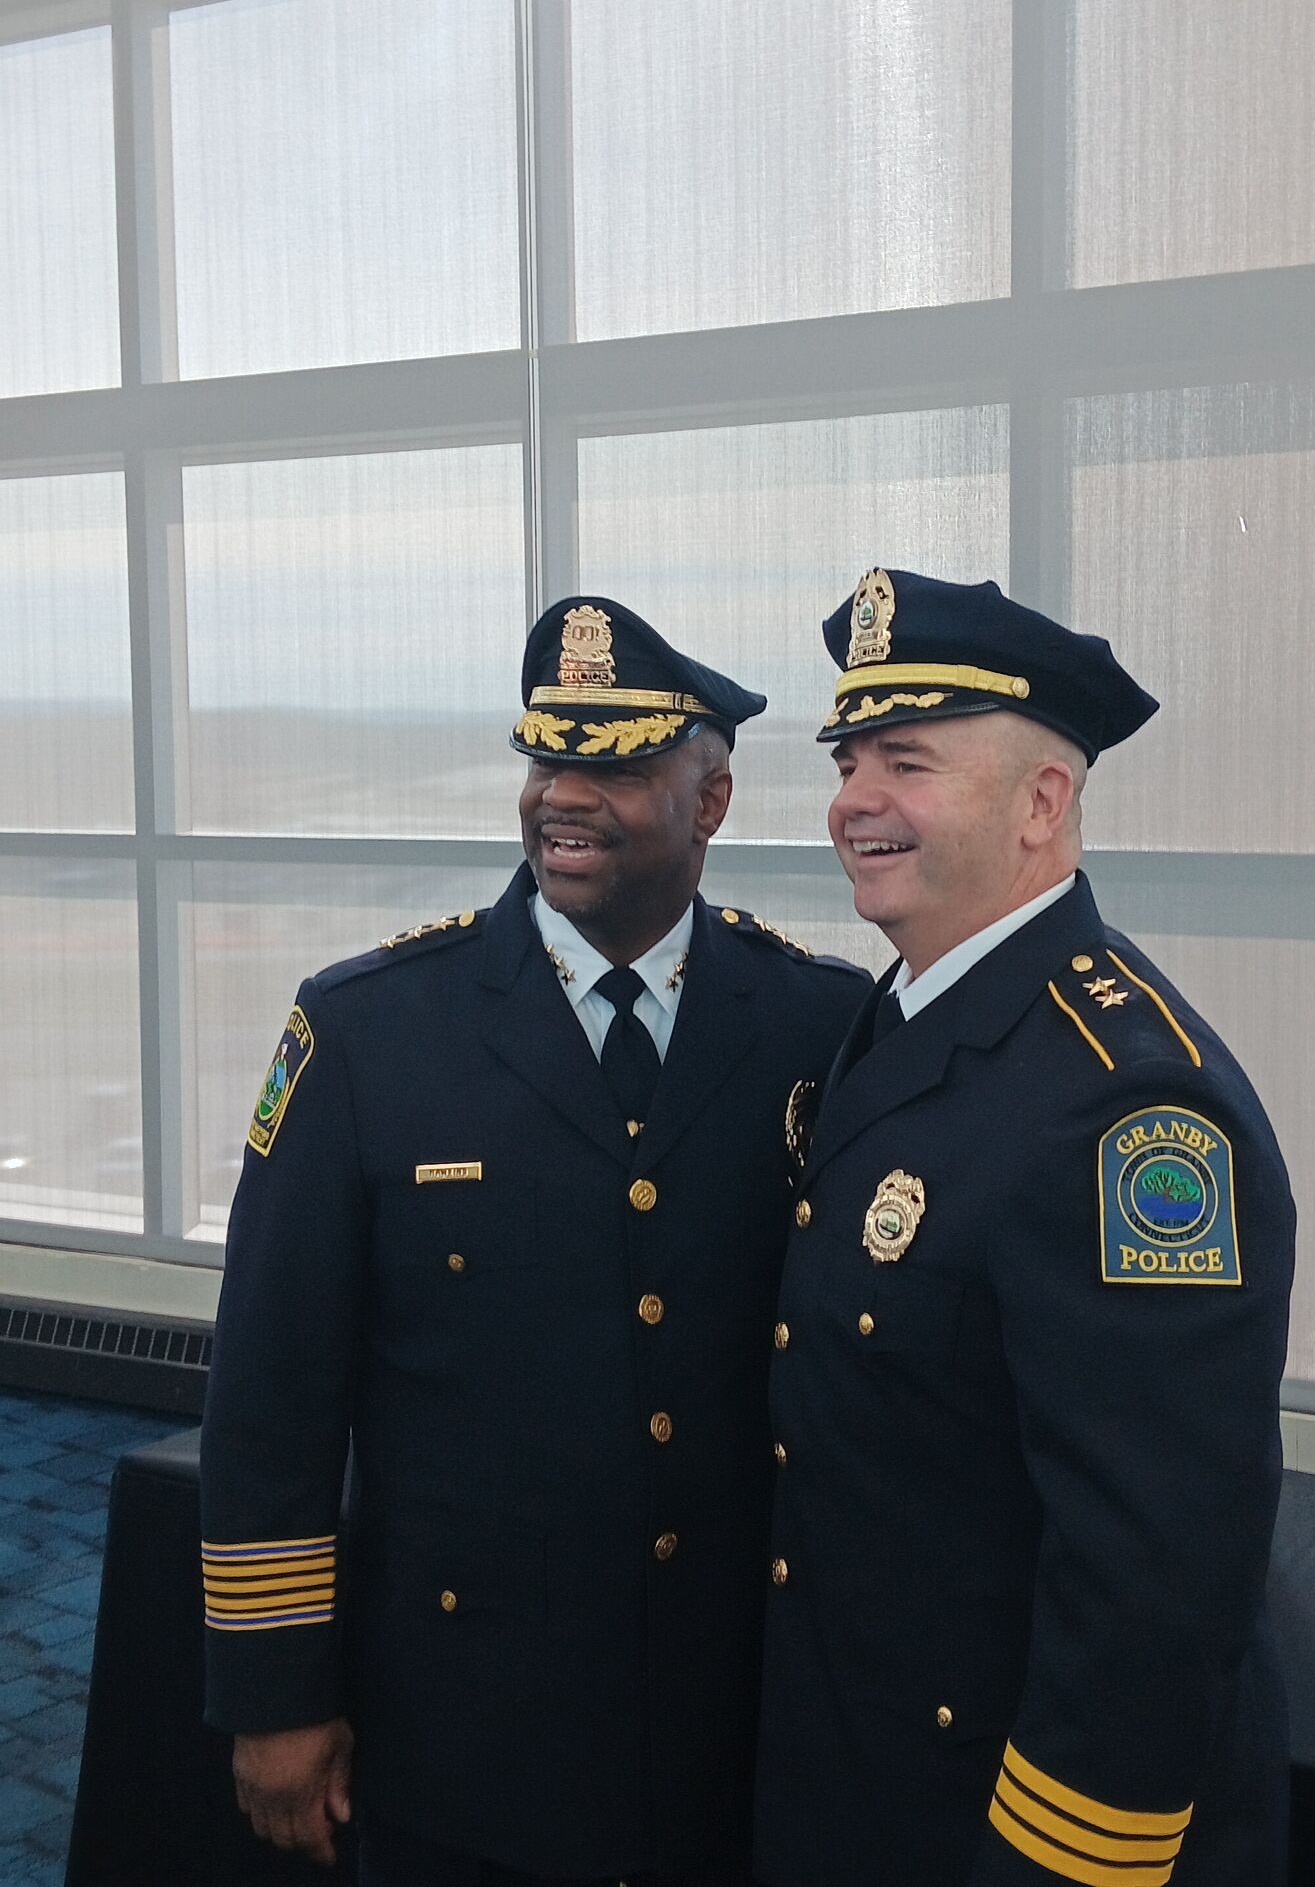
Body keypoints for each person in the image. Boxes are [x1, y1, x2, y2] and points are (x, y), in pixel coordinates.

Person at [199, 597, 870, 1886]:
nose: (566, 796)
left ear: (711, 800)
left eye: (615, 765)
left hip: (731, 1723)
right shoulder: (368, 1033)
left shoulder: (817, 1026)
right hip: (466, 1723)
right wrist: (276, 1693)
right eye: (548, 757)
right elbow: (274, 1389)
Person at [755, 570, 1297, 1887]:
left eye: (910, 760)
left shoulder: (1131, 1109)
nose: (855, 801)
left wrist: (1065, 1864)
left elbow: (1154, 1572)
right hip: (851, 1780)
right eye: (848, 760)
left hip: (999, 1831)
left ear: (1043, 805)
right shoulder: (888, 1025)